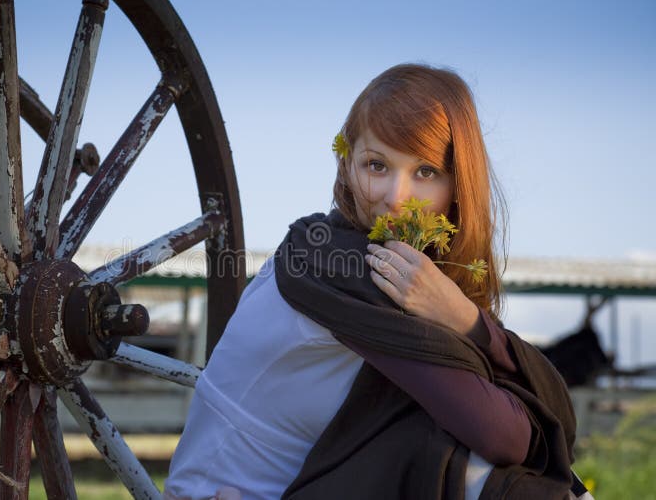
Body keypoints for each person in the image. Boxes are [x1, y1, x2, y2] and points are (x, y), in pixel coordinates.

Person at [164, 64, 585, 500]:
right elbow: (507, 437)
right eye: (376, 165)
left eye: (424, 172)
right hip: (222, 493)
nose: (396, 198)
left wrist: (466, 321)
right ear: (346, 166)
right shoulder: (349, 270)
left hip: (290, 481)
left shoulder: (325, 246)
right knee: (488, 472)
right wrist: (466, 320)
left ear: (459, 185)